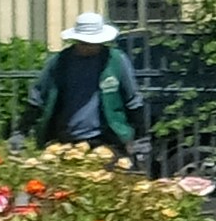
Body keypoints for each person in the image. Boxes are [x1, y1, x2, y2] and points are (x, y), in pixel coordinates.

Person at [27, 10, 149, 158]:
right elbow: (38, 97)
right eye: (84, 43)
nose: (88, 47)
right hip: (65, 140)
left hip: (108, 139)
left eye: (93, 43)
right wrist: (21, 131)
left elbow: (132, 100)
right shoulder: (60, 62)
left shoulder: (116, 61)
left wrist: (141, 136)